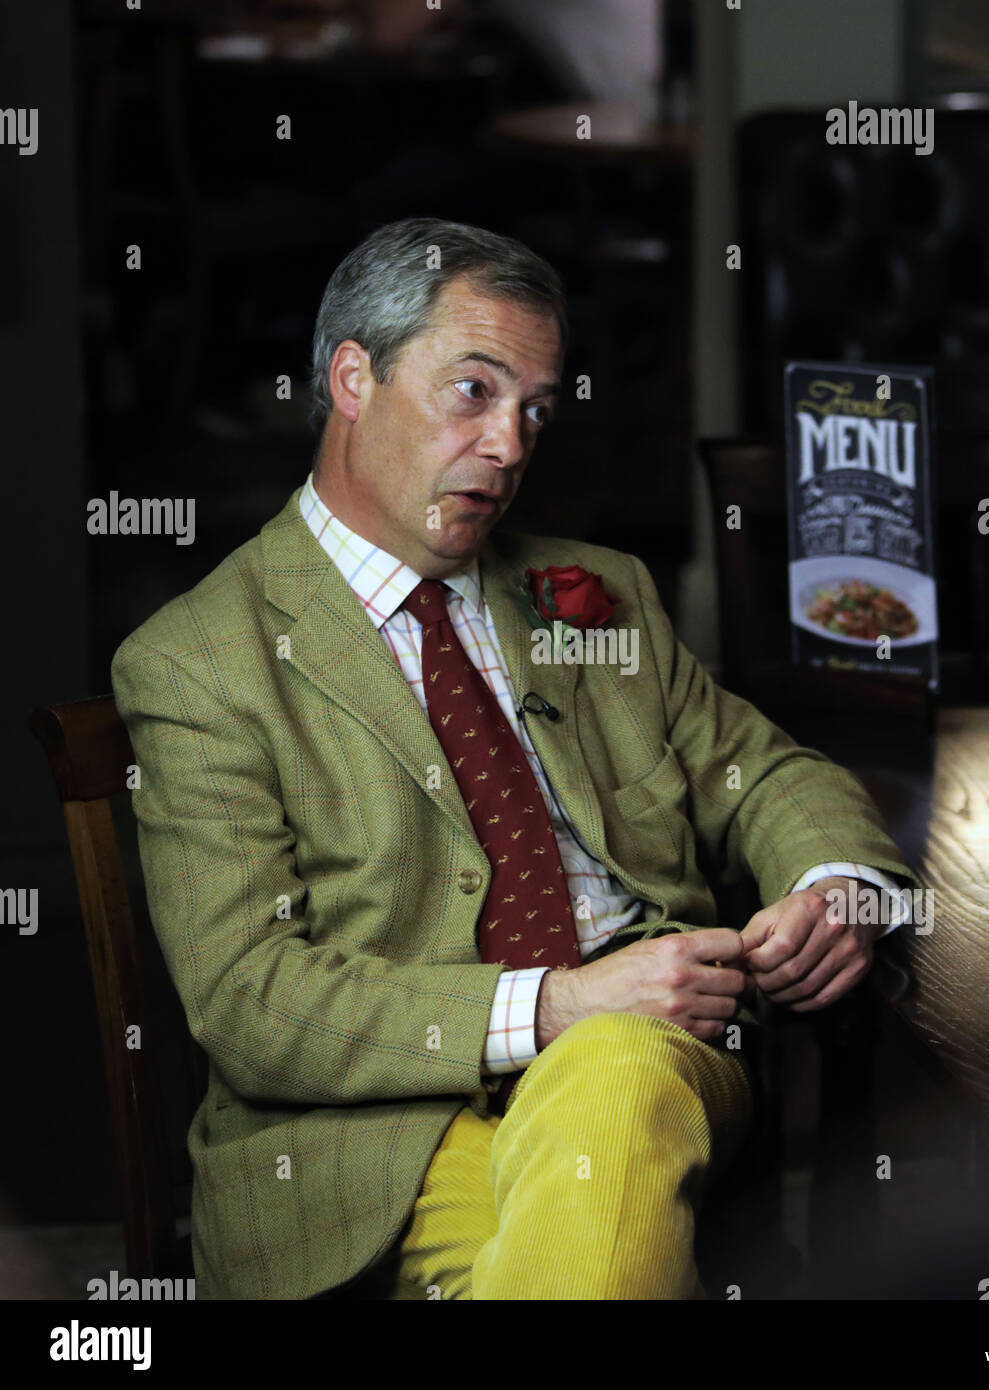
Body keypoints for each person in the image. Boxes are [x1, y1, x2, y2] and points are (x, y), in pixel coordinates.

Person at [112, 217, 920, 1300]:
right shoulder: (199, 661)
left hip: (664, 1054)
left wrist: (837, 888)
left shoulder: (598, 594)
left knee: (619, 1066)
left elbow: (765, 773)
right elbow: (252, 999)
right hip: (376, 1137)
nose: (511, 444)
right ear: (353, 376)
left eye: (536, 409)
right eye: (475, 391)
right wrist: (556, 1006)